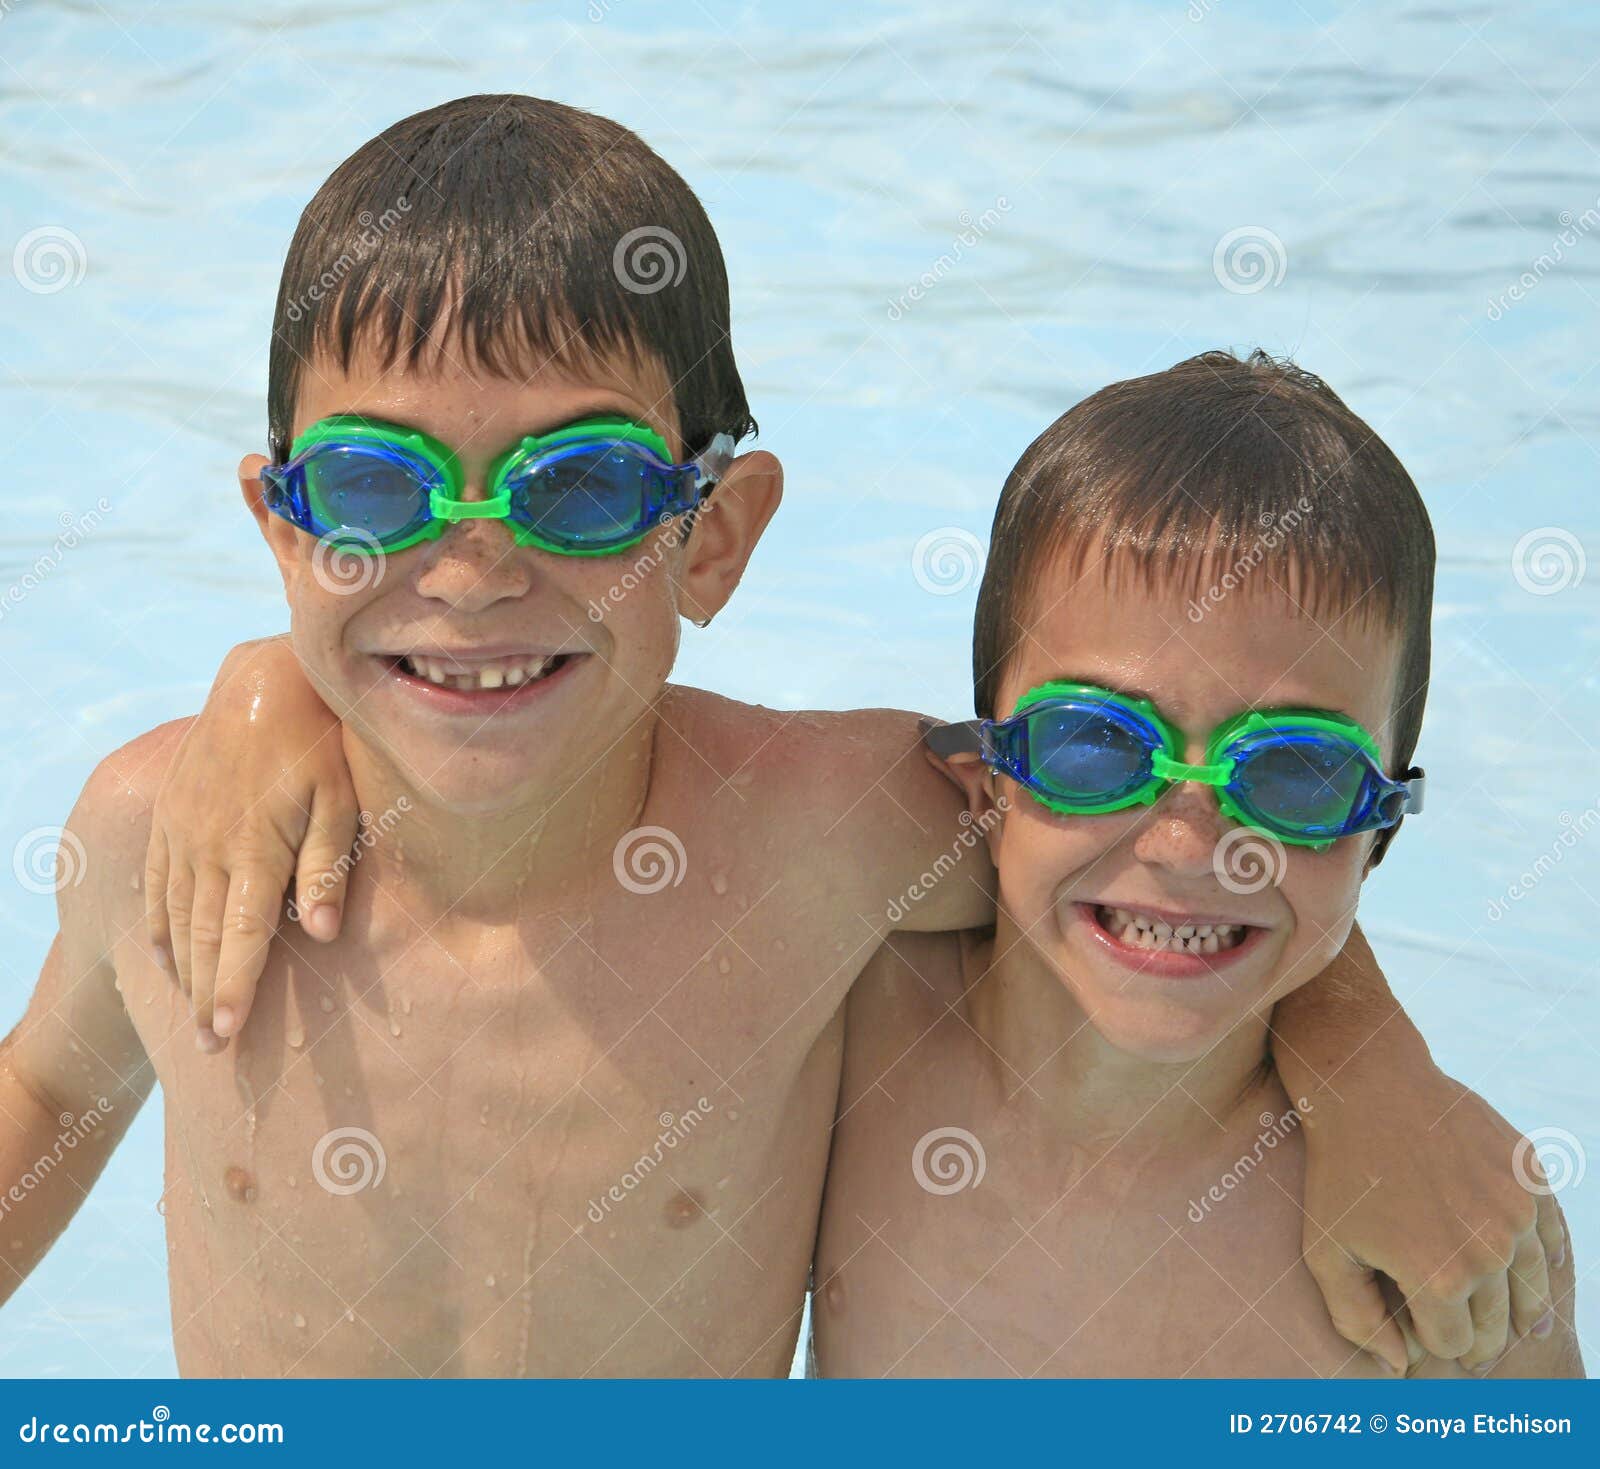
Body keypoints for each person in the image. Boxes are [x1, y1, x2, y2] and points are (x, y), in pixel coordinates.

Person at [0, 96, 1557, 1378]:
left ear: (716, 537)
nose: (470, 570)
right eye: (373, 489)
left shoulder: (821, 839)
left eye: (583, 488)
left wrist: (1378, 1075)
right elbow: (54, 1098)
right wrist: (264, 684)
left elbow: (1166, 829)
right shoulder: (164, 836)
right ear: (282, 524)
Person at [812, 352, 1580, 1377]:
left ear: (1379, 827)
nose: (1184, 845)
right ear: (981, 786)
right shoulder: (830, 1057)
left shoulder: (1442, 1247)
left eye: (1296, 773)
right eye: (1095, 745)